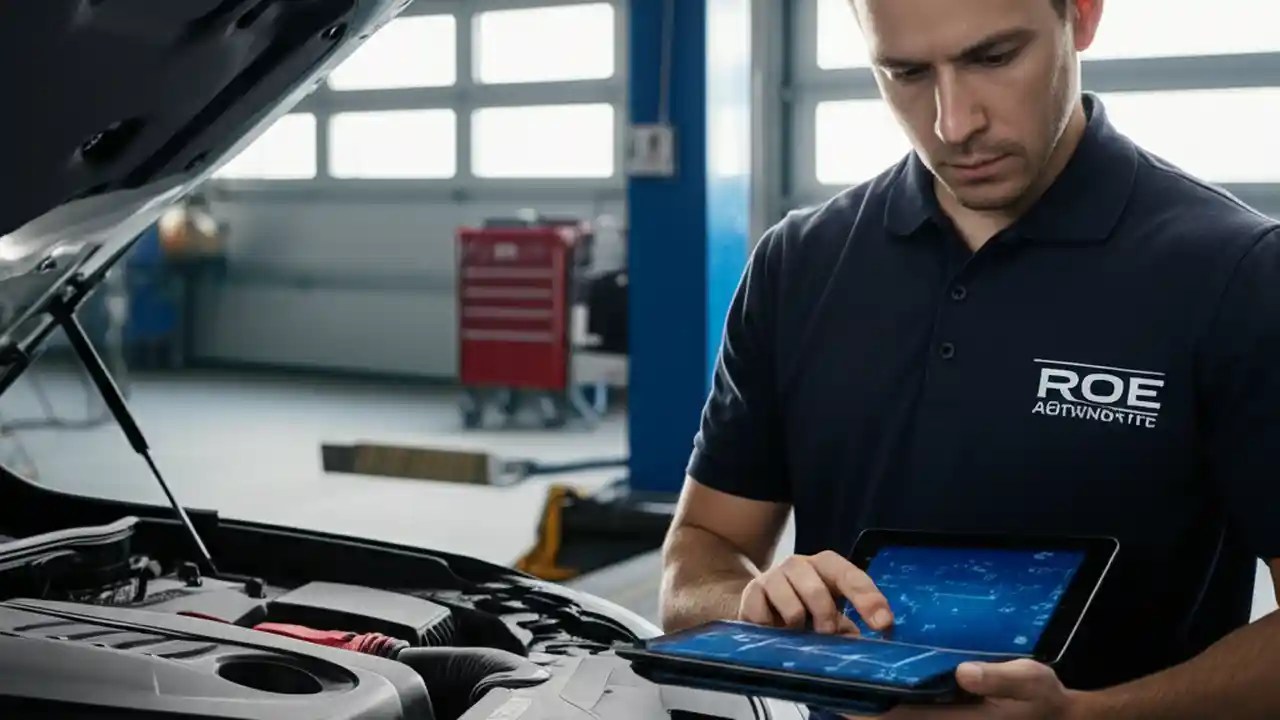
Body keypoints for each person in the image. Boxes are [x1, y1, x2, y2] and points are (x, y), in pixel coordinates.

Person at [659, 0, 1280, 717]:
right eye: (906, 72)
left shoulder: (1235, 274)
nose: (954, 124)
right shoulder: (798, 266)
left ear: (1080, 17)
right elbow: (700, 550)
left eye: (992, 58)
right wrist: (749, 601)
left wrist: (1087, 717)